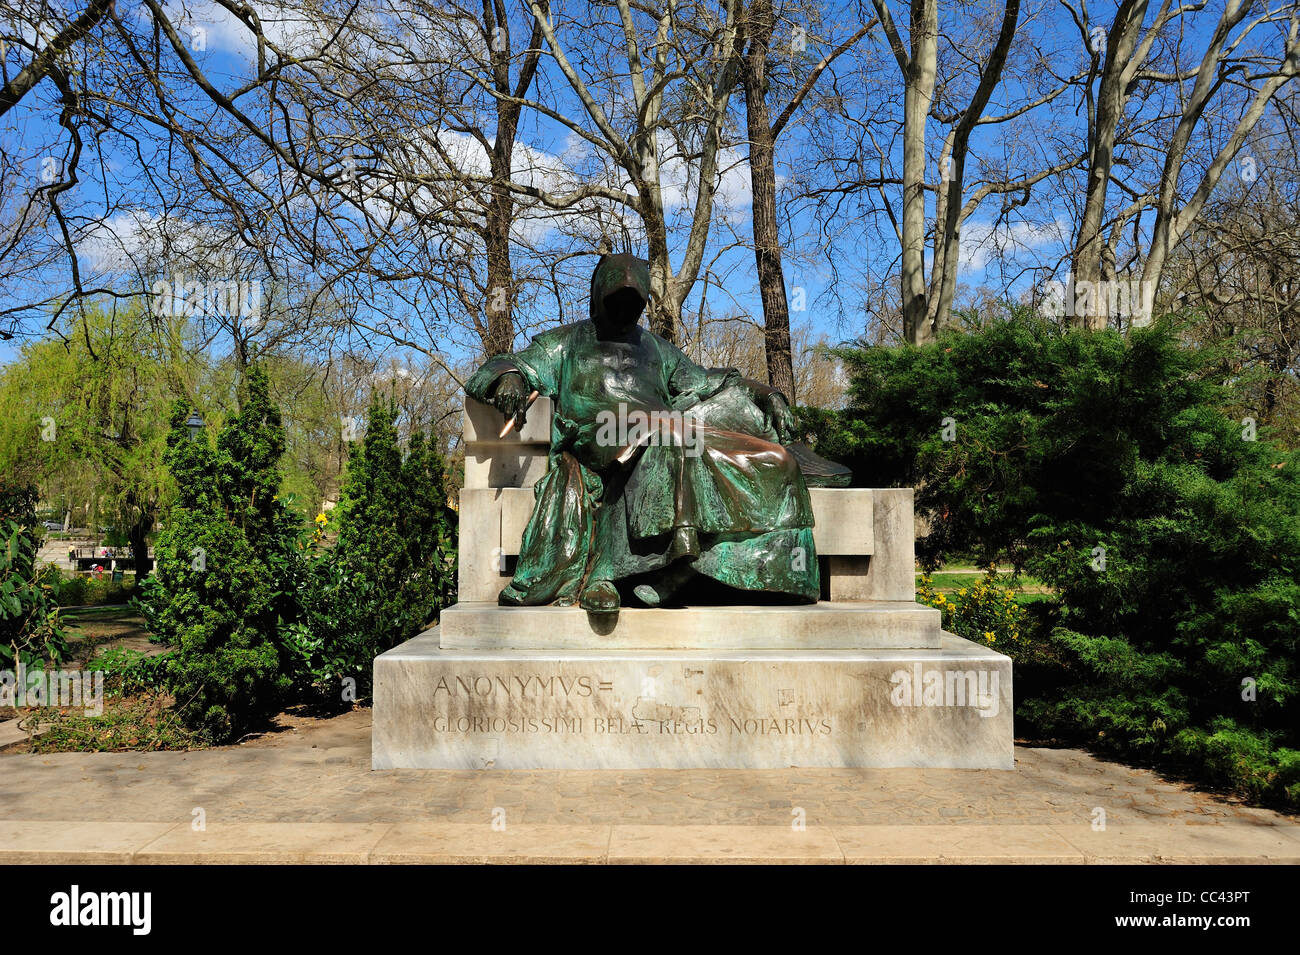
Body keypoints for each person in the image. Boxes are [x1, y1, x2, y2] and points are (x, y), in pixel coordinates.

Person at [466, 252, 826, 613]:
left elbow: (707, 382)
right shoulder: (565, 343)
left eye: (633, 303)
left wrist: (766, 393)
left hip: (665, 433)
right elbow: (509, 363)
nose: (624, 310)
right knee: (670, 432)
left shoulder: (657, 349)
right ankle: (646, 569)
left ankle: (763, 572)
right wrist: (509, 378)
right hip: (602, 437)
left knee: (776, 461)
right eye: (616, 300)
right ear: (597, 298)